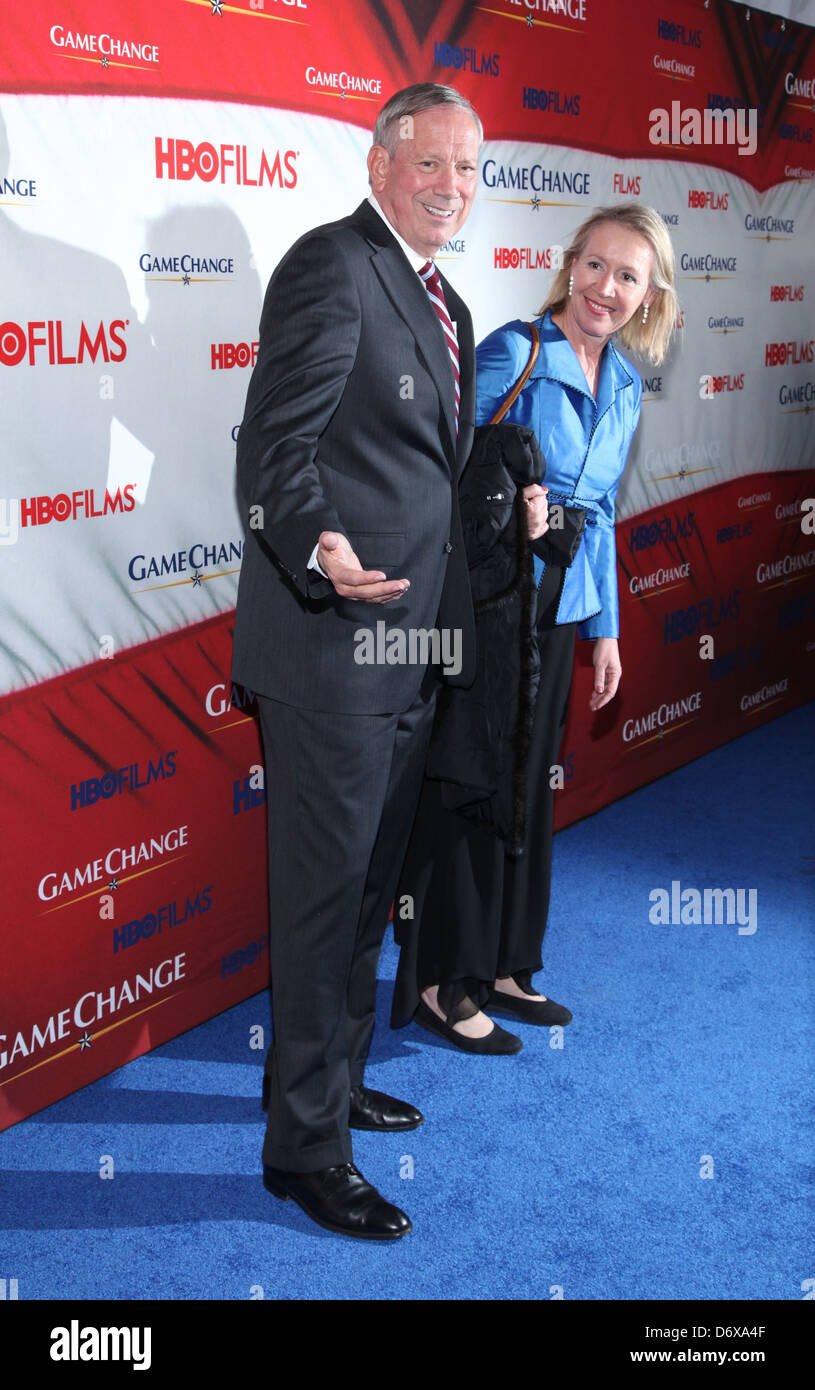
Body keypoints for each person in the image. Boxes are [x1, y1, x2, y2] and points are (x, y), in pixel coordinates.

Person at [231, 84, 483, 1239]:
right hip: (331, 648)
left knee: (366, 895)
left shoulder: (452, 306)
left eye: (469, 170)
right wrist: (313, 540)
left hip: (410, 647)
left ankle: (331, 1083)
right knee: (320, 903)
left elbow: (423, 476)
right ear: (380, 164)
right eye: (430, 163)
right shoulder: (331, 265)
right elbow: (276, 445)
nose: (451, 187)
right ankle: (301, 1152)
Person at [392, 202, 678, 1053]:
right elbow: (434, 463)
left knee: (526, 784)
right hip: (491, 606)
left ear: (648, 293)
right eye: (594, 265)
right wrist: (504, 510)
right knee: (473, 782)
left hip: (560, 609)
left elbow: (603, 514)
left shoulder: (623, 381)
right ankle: (446, 978)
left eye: (627, 275)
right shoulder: (514, 354)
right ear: (569, 265)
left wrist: (607, 633)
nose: (605, 287)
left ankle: (507, 960)